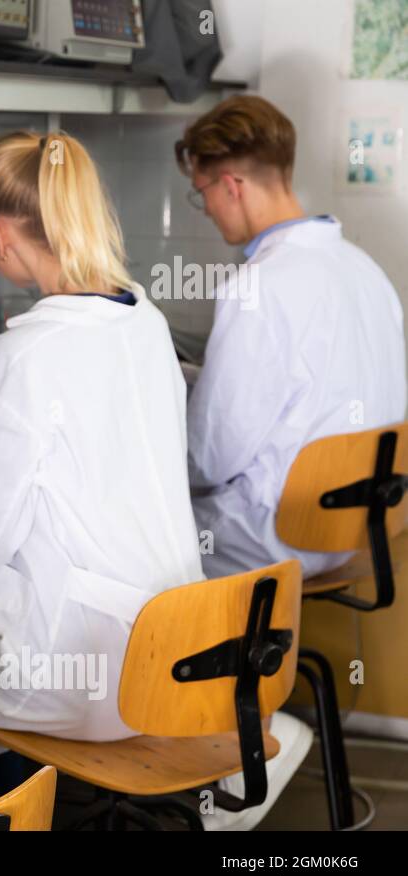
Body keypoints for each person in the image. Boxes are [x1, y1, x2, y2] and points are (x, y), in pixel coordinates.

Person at [0, 131, 204, 821]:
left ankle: (10, 820)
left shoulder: (30, 348)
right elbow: (89, 452)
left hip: (86, 672)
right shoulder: (142, 317)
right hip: (175, 650)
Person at [177, 94, 406, 578]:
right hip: (360, 529)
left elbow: (209, 460)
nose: (207, 210)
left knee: (124, 531)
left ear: (230, 186)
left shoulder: (257, 288)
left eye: (202, 193)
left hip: (270, 539)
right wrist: (201, 379)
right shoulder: (364, 268)